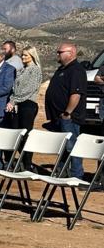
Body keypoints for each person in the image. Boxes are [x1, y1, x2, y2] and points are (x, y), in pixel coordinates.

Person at [44, 43, 87, 179]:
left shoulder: (76, 70)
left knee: (72, 146)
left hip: (69, 117)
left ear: (71, 53)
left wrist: (67, 113)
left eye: (60, 52)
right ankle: (61, 172)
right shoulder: (62, 69)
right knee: (63, 147)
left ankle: (76, 175)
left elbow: (76, 94)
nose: (57, 54)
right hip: (58, 117)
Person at [7, 46, 42, 169]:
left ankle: (28, 164)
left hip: (28, 104)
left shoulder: (35, 70)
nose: (23, 57)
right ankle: (21, 161)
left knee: (25, 134)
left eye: (26, 55)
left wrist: (13, 101)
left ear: (32, 56)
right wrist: (13, 100)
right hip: (18, 104)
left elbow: (28, 90)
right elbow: (15, 89)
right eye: (22, 55)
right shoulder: (22, 70)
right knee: (17, 134)